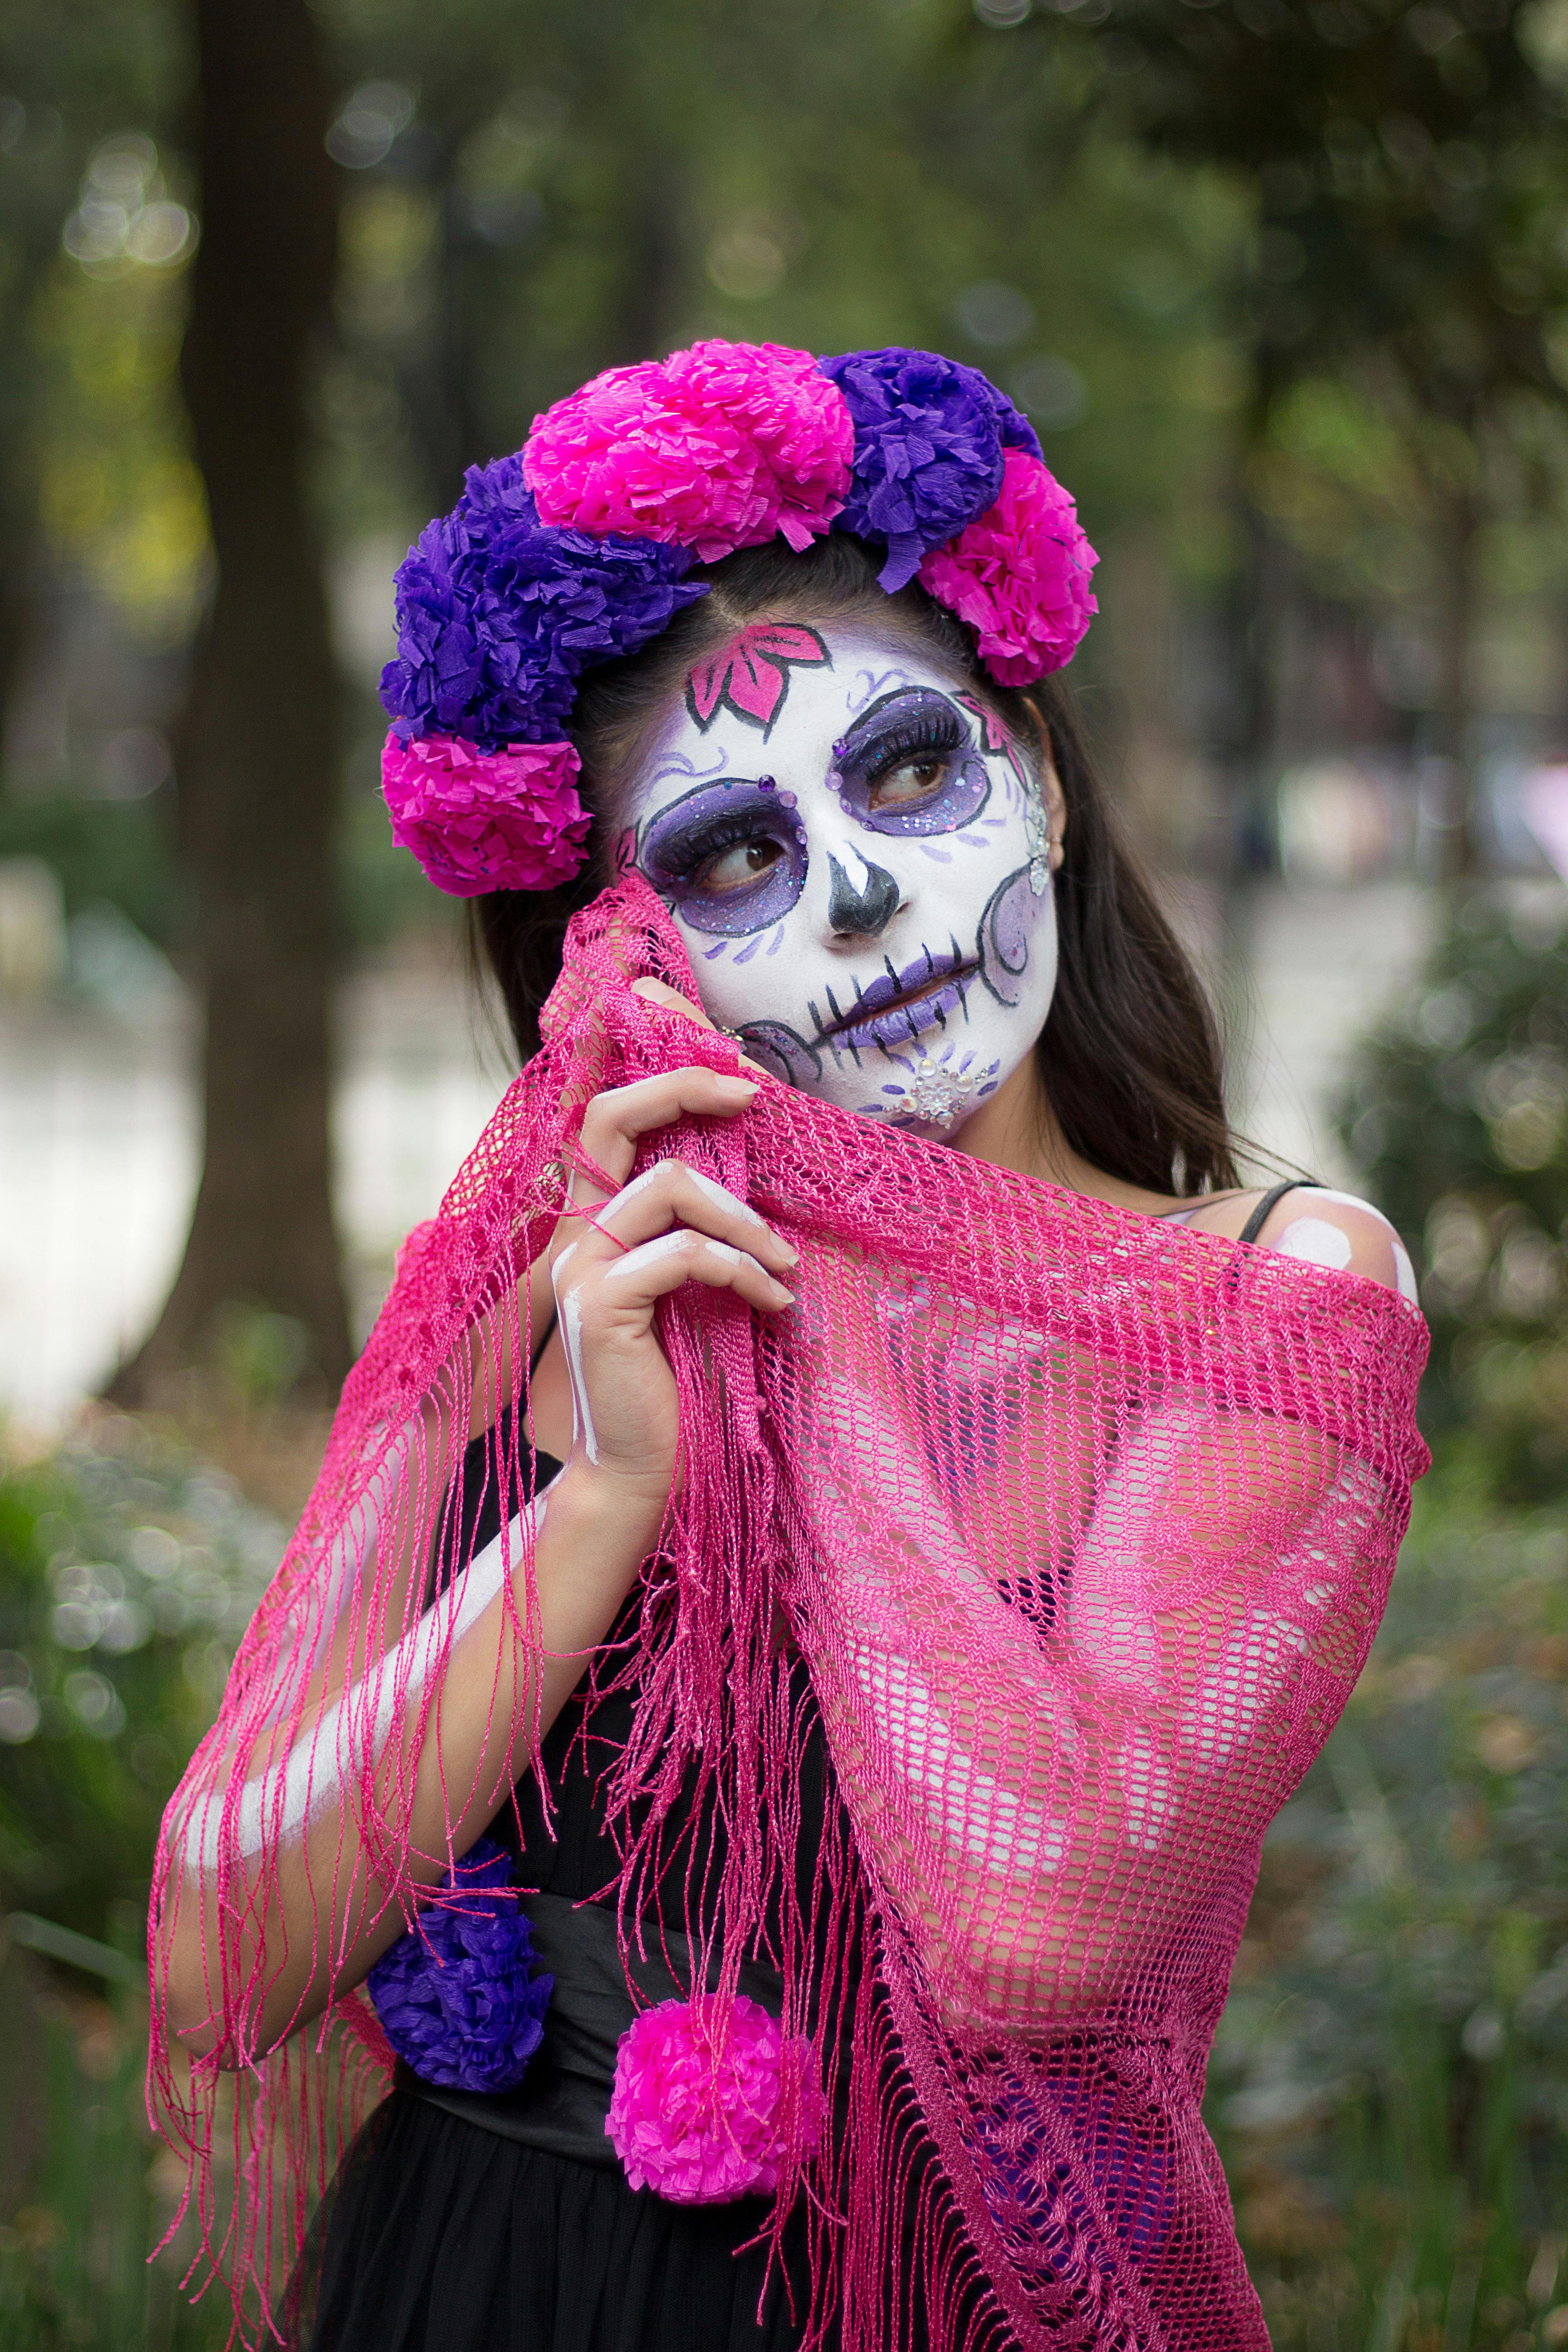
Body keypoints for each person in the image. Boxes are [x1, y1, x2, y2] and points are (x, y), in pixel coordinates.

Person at [150, 342, 1428, 2352]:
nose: (850, 894)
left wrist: (812, 1320)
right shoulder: (542, 1292)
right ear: (622, 949)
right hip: (482, 2283)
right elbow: (217, 1953)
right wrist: (610, 1494)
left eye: (908, 769)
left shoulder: (1276, 1300)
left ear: (1052, 791)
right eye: (731, 853)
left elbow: (1041, 1925)